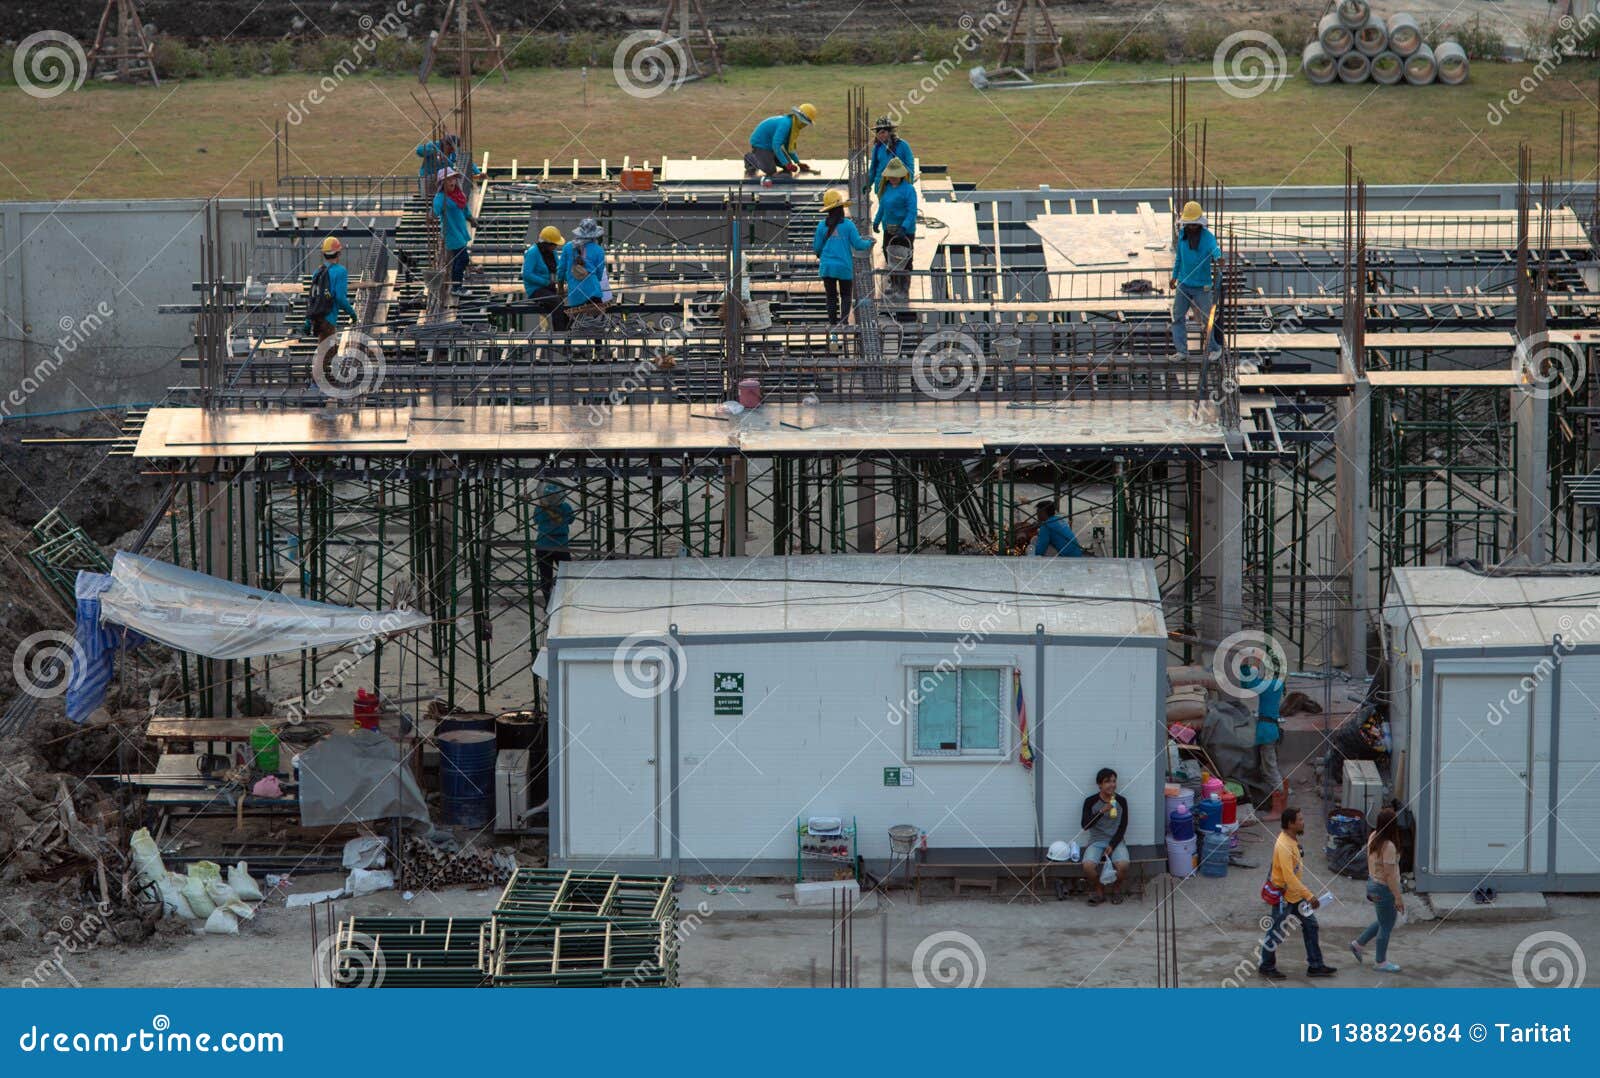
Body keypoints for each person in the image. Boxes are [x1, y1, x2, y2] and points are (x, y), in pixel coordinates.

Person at [1259, 807, 1338, 979]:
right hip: (1285, 898)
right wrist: (1309, 896)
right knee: (1276, 932)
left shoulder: (1291, 840)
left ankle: (1315, 965)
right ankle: (1266, 966)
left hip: (1295, 896)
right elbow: (1289, 878)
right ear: (1290, 824)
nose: (1303, 822)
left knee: (1311, 925)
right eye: (1300, 820)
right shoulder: (1284, 845)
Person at [1351, 807, 1405, 973]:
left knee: (1383, 920)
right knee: (1387, 925)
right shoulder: (1388, 846)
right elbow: (1389, 876)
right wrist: (1398, 897)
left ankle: (1358, 944)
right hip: (1384, 888)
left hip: (1373, 884)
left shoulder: (1374, 836)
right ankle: (1380, 962)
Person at [1169, 200, 1225, 359]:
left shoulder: (1208, 238)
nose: (1192, 227)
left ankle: (1215, 348)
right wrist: (1174, 277)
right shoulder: (1182, 236)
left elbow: (1215, 250)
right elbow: (1179, 258)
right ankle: (1182, 351)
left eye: (1194, 224)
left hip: (1202, 287)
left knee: (1207, 319)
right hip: (1183, 284)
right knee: (1177, 317)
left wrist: (1219, 258)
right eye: (1189, 224)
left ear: (1200, 224)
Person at [812, 189, 874, 325]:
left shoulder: (822, 225)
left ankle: (832, 323)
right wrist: (869, 242)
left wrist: (821, 254)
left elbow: (817, 247)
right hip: (844, 267)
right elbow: (858, 245)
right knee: (845, 296)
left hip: (827, 267)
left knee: (831, 296)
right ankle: (844, 323)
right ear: (841, 208)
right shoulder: (848, 225)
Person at [1240, 648, 1287, 817]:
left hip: (1266, 730)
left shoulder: (1268, 685)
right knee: (1271, 765)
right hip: (1272, 729)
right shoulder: (1277, 683)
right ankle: (1277, 799)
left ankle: (1278, 808)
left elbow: (1247, 684)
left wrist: (1245, 665)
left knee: (1270, 769)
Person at [1080, 768, 1130, 905]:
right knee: (1088, 867)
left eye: (1114, 781)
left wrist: (1112, 845)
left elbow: (1123, 827)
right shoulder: (1090, 801)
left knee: (1124, 865)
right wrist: (1101, 811)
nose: (1112, 785)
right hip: (1096, 841)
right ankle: (1099, 889)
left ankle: (1116, 889)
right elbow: (1085, 825)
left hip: (1116, 841)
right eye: (1107, 781)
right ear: (1099, 785)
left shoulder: (1121, 801)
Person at [873, 158, 917, 299]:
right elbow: (882, 206)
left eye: (894, 176)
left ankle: (903, 287)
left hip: (905, 231)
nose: (892, 178)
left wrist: (904, 227)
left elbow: (912, 211)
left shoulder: (909, 190)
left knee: (904, 259)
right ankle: (894, 284)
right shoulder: (886, 188)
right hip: (889, 229)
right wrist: (877, 221)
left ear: (901, 175)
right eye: (890, 176)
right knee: (890, 256)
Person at [302, 236, 358, 343]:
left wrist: (308, 321)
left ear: (324, 254)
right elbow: (340, 298)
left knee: (325, 351)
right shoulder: (340, 271)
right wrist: (352, 314)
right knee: (327, 356)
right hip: (328, 319)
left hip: (316, 318)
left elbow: (313, 298)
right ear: (338, 253)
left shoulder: (318, 272)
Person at [745, 104, 817, 184]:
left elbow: (789, 148)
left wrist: (798, 163)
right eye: (805, 122)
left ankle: (768, 158)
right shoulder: (786, 124)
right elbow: (776, 145)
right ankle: (750, 158)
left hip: (771, 146)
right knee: (771, 171)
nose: (805, 125)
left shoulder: (794, 127)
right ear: (800, 119)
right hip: (761, 144)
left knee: (788, 166)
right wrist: (786, 164)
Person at [431, 168, 476, 288]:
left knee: (459, 260)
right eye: (448, 179)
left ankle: (458, 276)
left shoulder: (458, 194)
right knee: (463, 259)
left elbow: (464, 208)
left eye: (453, 178)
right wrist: (431, 215)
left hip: (460, 231)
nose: (452, 182)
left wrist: (471, 219)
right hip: (451, 234)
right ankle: (456, 287)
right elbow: (434, 212)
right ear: (442, 183)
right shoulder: (440, 198)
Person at [557, 218, 608, 324]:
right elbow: (599, 275)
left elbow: (561, 270)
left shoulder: (567, 247)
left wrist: (561, 288)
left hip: (575, 293)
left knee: (575, 325)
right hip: (594, 292)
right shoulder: (598, 250)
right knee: (597, 327)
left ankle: (569, 339)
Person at [523, 225, 569, 330]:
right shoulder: (532, 252)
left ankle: (567, 334)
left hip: (548, 287)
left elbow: (559, 268)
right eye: (554, 244)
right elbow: (527, 274)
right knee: (556, 301)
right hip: (535, 290)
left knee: (563, 306)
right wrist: (546, 282)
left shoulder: (552, 252)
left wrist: (569, 278)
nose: (556, 246)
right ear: (547, 244)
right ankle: (559, 336)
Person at [534, 482, 575, 600]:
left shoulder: (539, 508)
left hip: (543, 546)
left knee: (545, 577)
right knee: (567, 574)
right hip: (561, 546)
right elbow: (571, 520)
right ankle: (564, 598)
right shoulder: (565, 507)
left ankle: (548, 603)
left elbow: (536, 521)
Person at [869, 116, 915, 193]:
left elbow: (910, 165)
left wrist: (909, 183)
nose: (880, 135)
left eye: (883, 132)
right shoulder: (877, 148)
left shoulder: (903, 145)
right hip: (881, 187)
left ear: (890, 132)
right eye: (878, 132)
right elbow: (873, 168)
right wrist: (868, 183)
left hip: (900, 185)